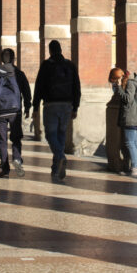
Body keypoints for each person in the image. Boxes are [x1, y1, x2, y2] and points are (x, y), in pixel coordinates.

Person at [32, 40, 81, 182]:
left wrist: (35, 107)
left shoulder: (47, 65)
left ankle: (60, 157)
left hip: (51, 105)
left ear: (50, 51)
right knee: (61, 135)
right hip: (66, 105)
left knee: (50, 135)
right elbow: (77, 87)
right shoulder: (70, 65)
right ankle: (55, 169)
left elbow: (39, 86)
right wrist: (75, 106)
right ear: (60, 49)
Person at [0, 48, 31, 178]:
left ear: (1, 59)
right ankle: (17, 158)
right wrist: (27, 107)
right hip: (15, 110)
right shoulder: (19, 73)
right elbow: (26, 92)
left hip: (0, 111)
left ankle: (5, 167)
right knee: (16, 138)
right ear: (13, 59)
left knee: (2, 140)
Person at [108, 66, 137, 177]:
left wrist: (119, 88)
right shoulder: (134, 82)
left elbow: (127, 99)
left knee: (130, 143)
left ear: (118, 78)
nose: (115, 83)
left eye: (115, 81)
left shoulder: (129, 83)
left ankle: (134, 168)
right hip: (135, 116)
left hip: (130, 117)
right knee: (135, 143)